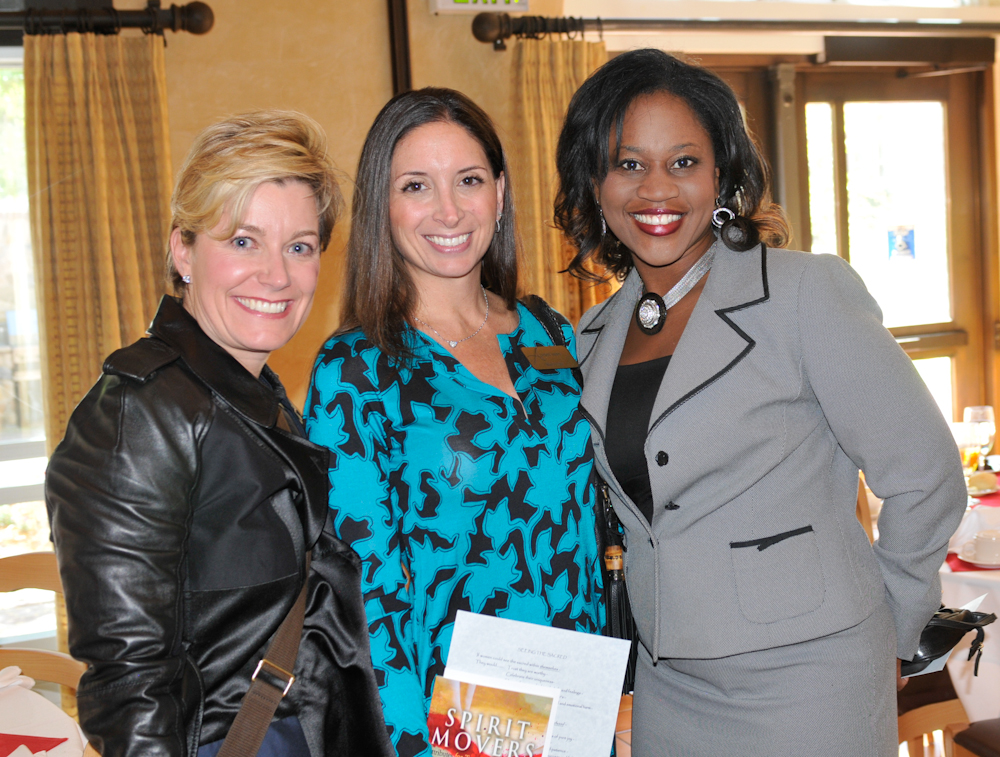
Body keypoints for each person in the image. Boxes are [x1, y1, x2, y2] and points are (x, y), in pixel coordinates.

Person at [554, 49, 967, 755]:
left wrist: (894, 631)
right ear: (595, 183)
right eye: (629, 164)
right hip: (668, 679)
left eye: (683, 162)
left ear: (722, 175)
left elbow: (926, 473)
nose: (657, 188)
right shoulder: (588, 338)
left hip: (812, 674)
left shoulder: (805, 293)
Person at [46, 111, 393, 757]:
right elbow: (127, 684)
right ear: (183, 249)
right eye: (242, 240)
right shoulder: (140, 413)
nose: (276, 274)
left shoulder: (248, 398)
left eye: (299, 245)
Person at [305, 88, 605, 757]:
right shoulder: (357, 370)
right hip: (456, 726)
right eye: (416, 185)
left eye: (468, 180)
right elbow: (362, 595)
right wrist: (411, 746)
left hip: (580, 706)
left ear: (498, 192)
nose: (448, 209)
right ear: (383, 205)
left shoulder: (547, 333)